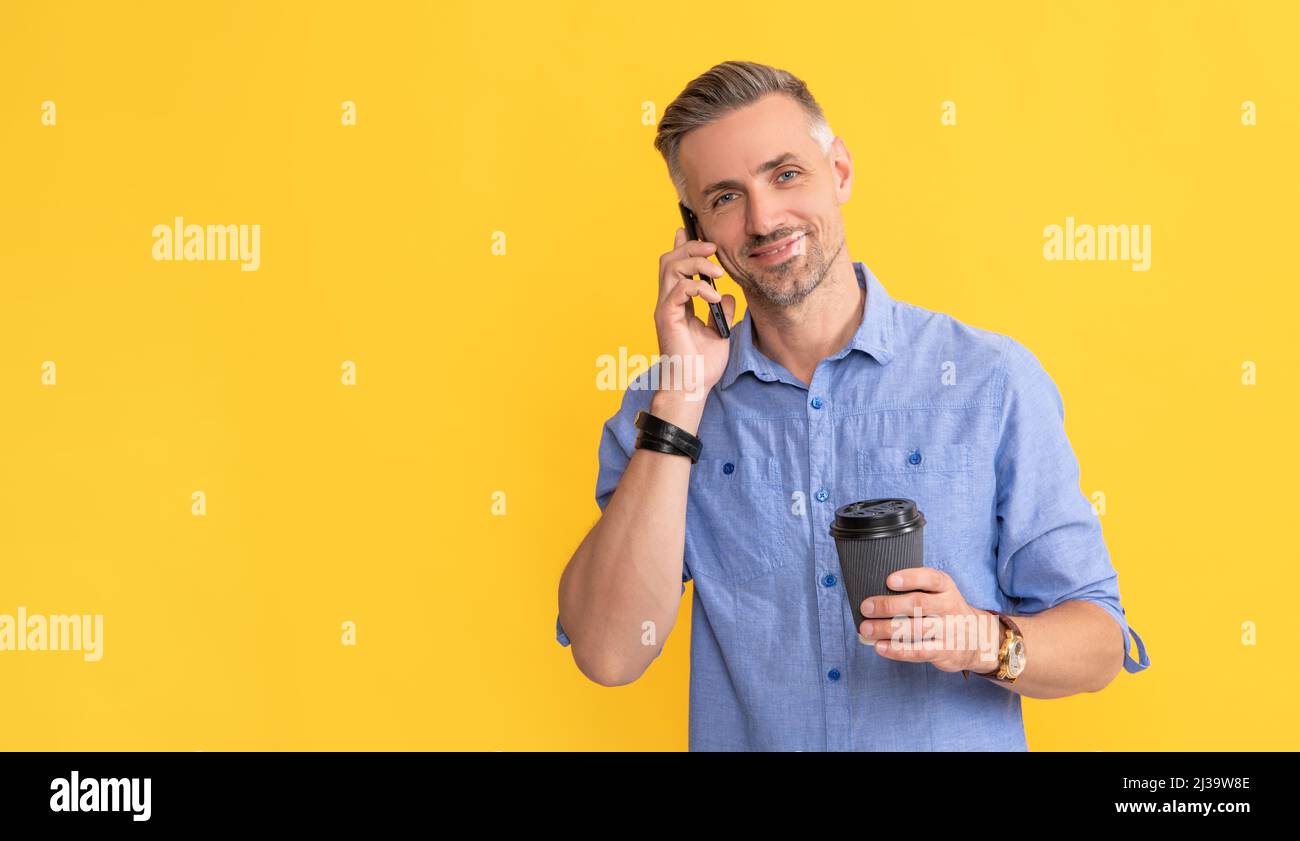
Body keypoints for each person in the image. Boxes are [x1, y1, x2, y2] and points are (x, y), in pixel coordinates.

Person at [555, 60, 1150, 751]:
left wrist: (983, 639)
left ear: (838, 171)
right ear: (696, 235)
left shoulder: (990, 380)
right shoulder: (664, 406)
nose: (764, 218)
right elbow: (607, 652)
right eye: (724, 197)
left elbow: (1101, 641)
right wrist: (683, 398)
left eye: (785, 174)